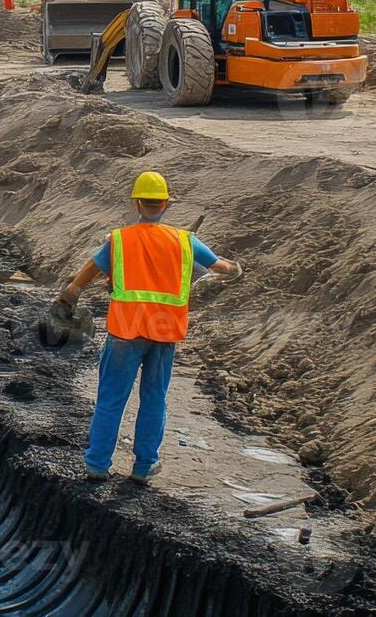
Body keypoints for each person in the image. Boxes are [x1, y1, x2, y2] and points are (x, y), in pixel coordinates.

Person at [54, 171, 241, 484]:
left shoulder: (120, 240)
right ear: (166, 203)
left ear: (137, 203)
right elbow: (221, 268)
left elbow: (90, 272)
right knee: (154, 397)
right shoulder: (186, 241)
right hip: (164, 332)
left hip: (126, 330)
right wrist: (235, 268)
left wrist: (69, 295)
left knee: (111, 399)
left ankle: (98, 464)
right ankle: (144, 466)